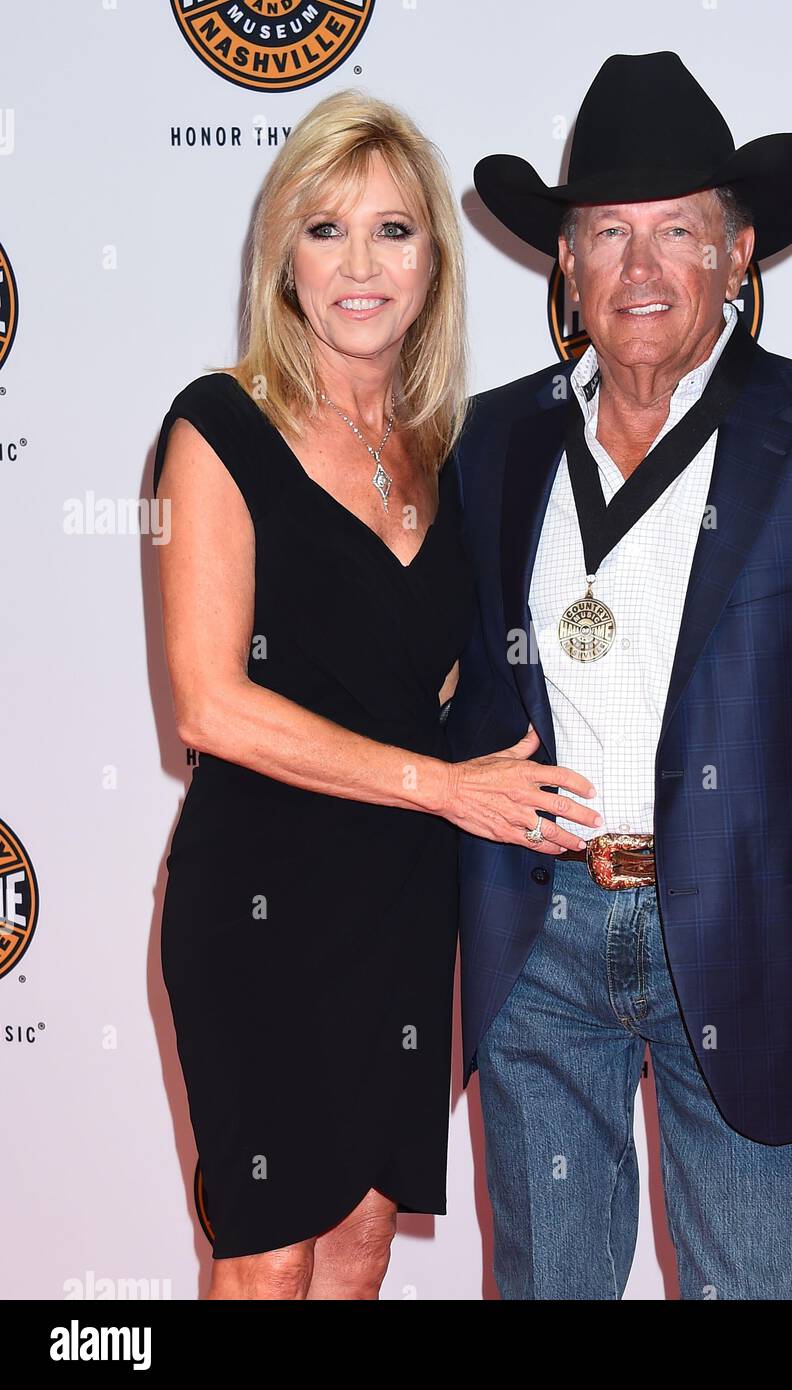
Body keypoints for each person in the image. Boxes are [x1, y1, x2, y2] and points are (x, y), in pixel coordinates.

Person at [445, 51, 792, 1299]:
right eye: (606, 232)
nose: (638, 268)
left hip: (753, 939)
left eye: (676, 231)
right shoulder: (487, 437)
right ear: (561, 261)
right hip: (538, 936)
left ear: (738, 256)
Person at [152, 89, 598, 1300]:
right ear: (281, 256)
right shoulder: (217, 427)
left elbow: (449, 674)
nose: (360, 264)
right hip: (260, 899)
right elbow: (208, 705)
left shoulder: (444, 448)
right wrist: (445, 787)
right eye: (325, 229)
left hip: (407, 909)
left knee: (356, 1247)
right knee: (266, 1254)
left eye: (394, 231)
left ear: (434, 265)